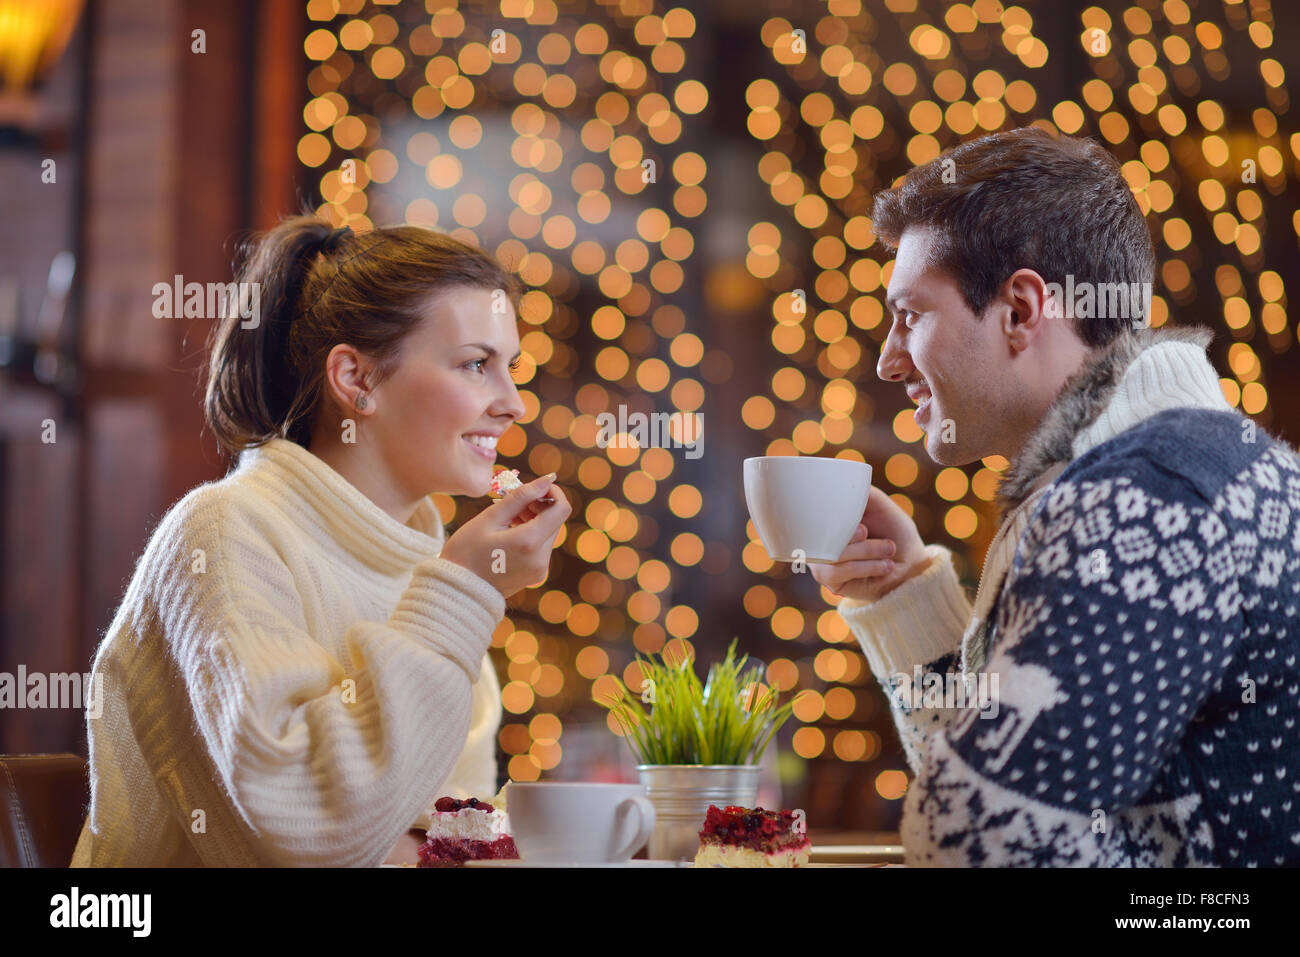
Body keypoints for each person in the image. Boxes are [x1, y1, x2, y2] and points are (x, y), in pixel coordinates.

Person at [811, 127, 1300, 866]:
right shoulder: (1160, 468)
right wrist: (903, 596)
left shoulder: (1142, 501)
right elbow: (1017, 802)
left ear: (1021, 309)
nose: (887, 359)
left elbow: (976, 843)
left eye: (909, 315)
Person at [71, 215, 571, 866]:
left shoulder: (427, 568)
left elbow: (453, 838)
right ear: (356, 380)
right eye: (477, 364)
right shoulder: (222, 535)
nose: (514, 403)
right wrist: (465, 590)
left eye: (510, 367)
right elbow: (308, 829)